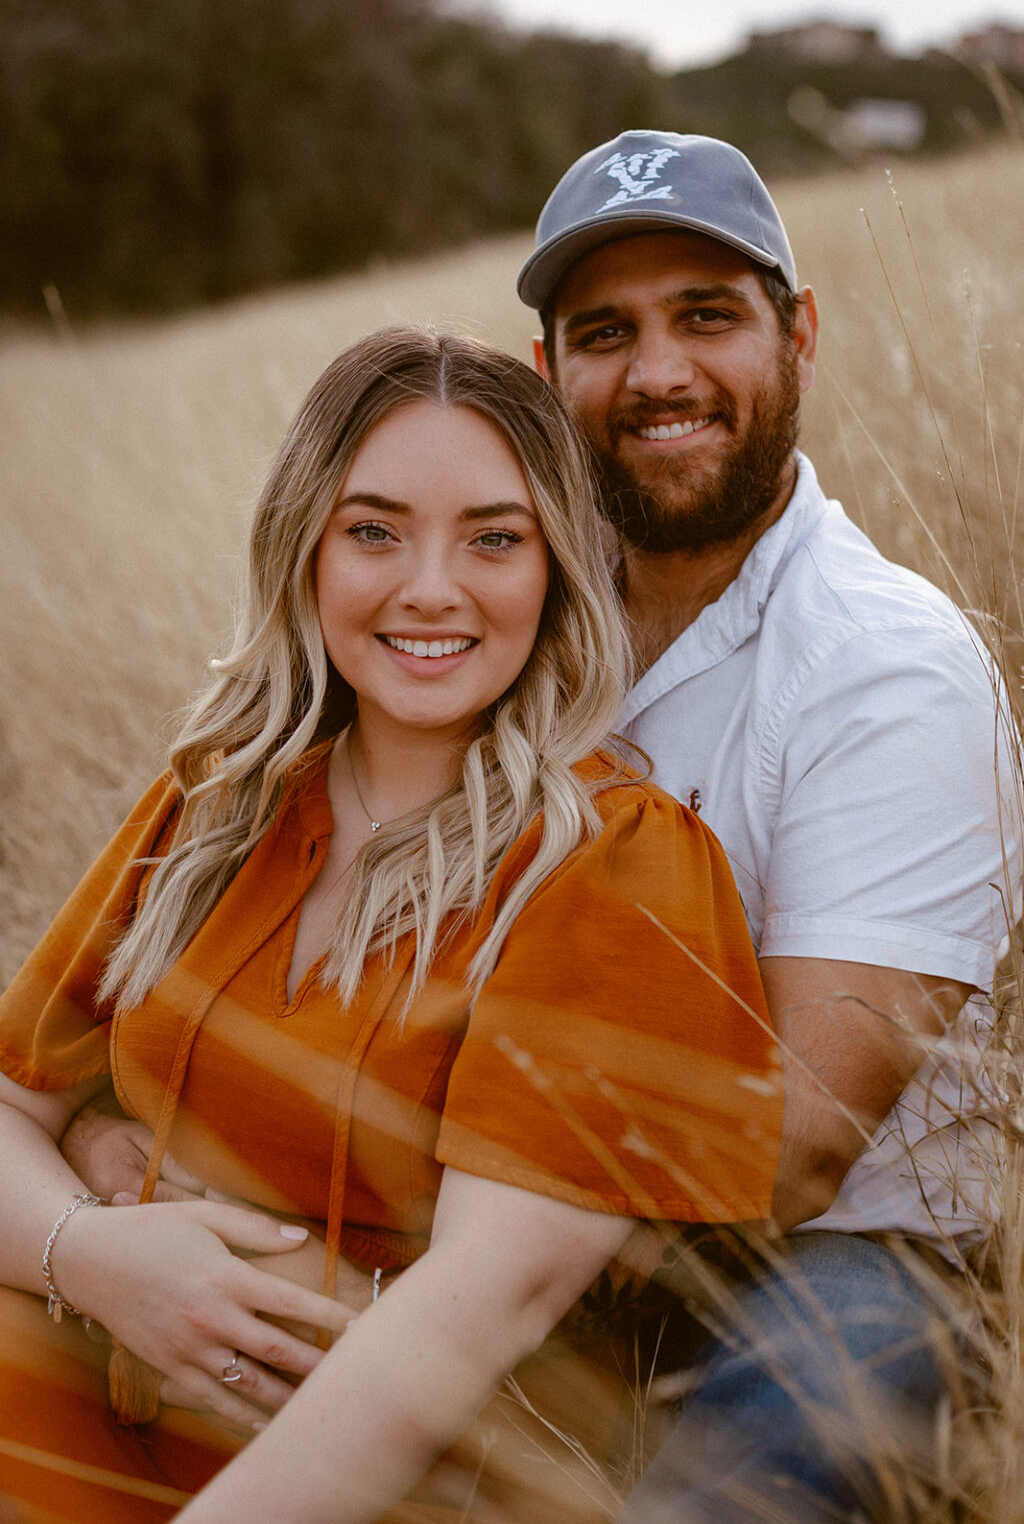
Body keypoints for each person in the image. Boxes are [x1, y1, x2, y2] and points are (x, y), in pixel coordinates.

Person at [0, 326, 782, 1523]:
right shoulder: (223, 798)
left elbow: (483, 1307)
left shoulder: (613, 862)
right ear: (304, 549)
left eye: (493, 539)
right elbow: (12, 1107)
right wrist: (89, 1254)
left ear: (558, 567)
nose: (430, 587)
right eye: (374, 531)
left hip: (356, 1484)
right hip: (68, 1381)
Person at [514, 129, 1022, 1521]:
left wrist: (456, 1263)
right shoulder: (507, 626)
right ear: (552, 372)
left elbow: (797, 1142)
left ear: (798, 335)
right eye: (605, 332)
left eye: (708, 317)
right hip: (519, 1220)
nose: (659, 373)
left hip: (843, 1262)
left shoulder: (882, 660)